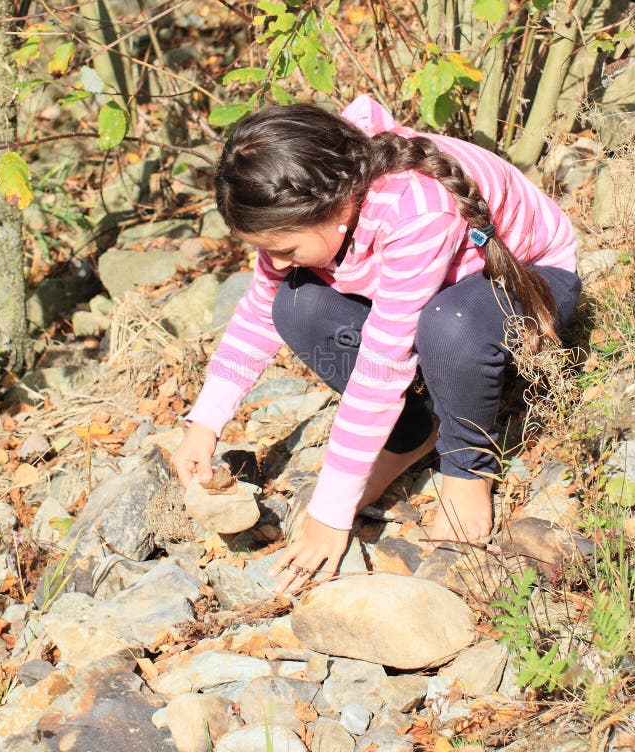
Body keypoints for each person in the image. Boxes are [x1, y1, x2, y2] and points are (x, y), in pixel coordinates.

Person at [171, 94, 580, 595]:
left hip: (527, 284)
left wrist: (330, 508)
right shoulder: (312, 200)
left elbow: (382, 367)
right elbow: (256, 316)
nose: (273, 261)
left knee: (447, 325)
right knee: (295, 305)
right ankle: (411, 435)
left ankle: (468, 464)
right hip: (432, 298)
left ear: (337, 209)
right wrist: (204, 423)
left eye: (284, 248)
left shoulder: (416, 209)